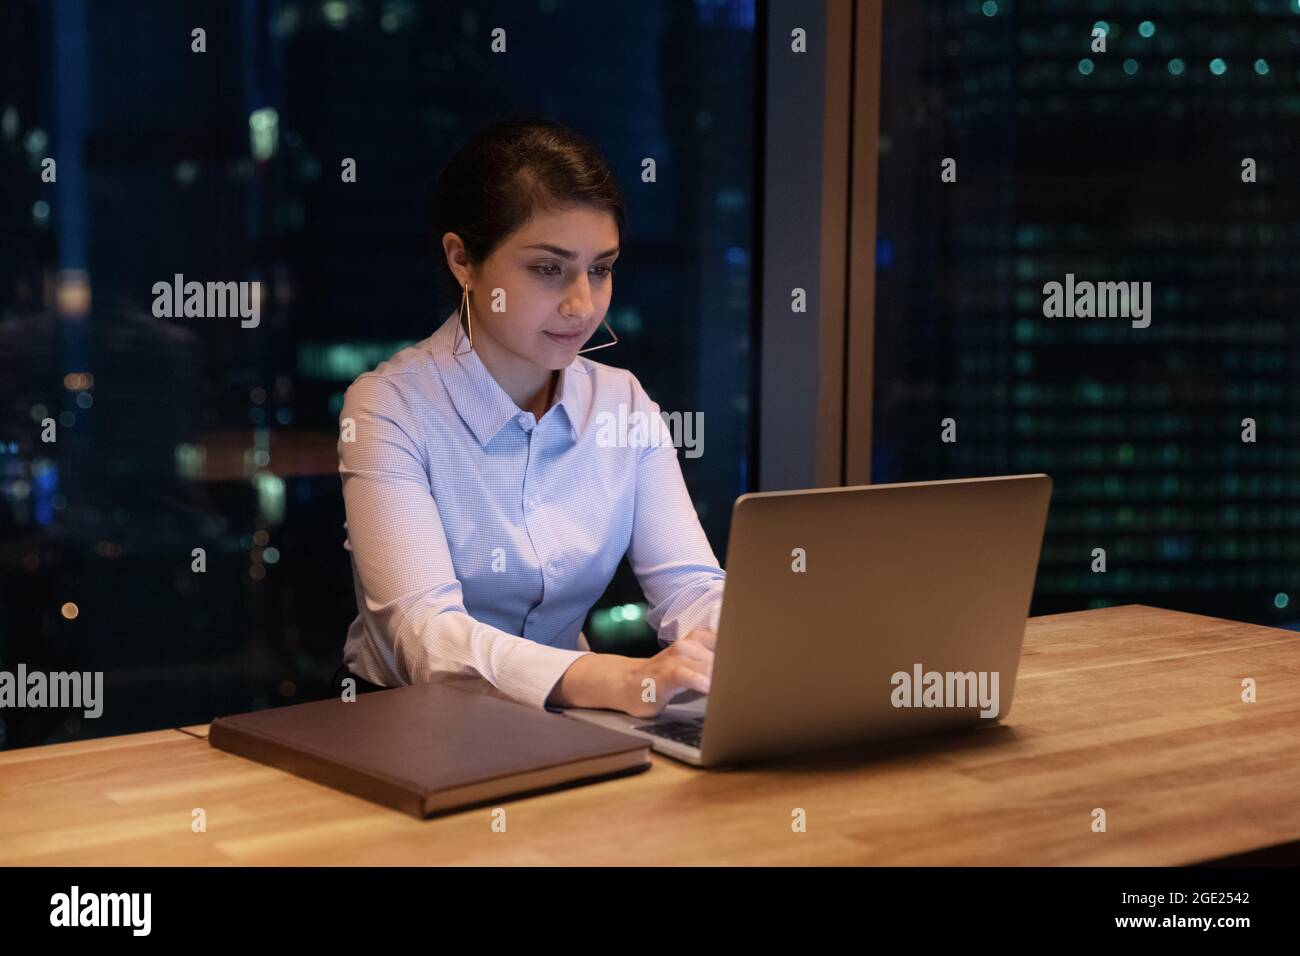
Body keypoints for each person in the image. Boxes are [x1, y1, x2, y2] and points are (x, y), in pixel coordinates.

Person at [334, 116, 724, 718]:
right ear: (463, 260)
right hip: (405, 725)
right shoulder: (391, 407)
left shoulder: (622, 404)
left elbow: (692, 588)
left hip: (569, 722)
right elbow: (425, 637)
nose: (582, 304)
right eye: (548, 269)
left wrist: (748, 649)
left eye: (601, 269)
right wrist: (620, 680)